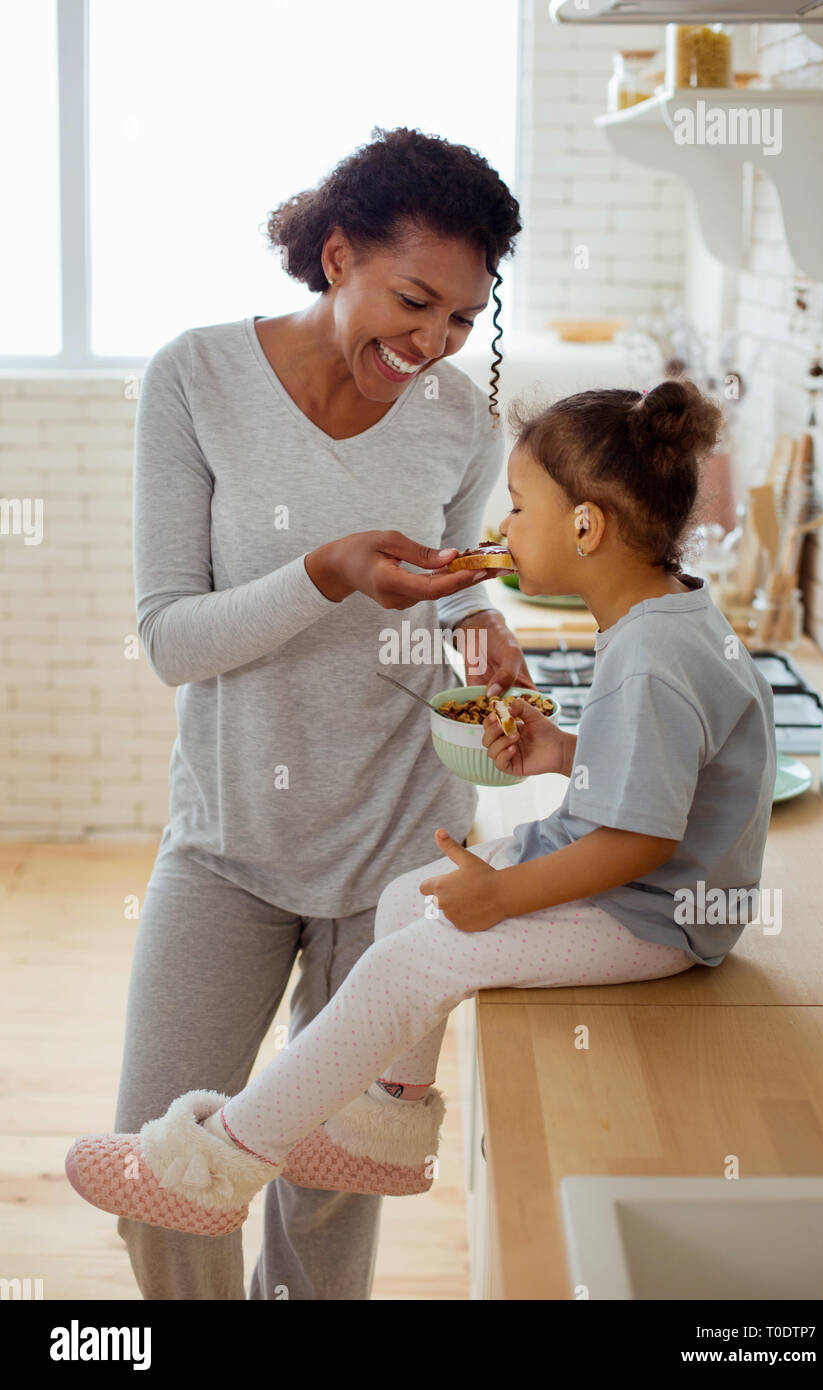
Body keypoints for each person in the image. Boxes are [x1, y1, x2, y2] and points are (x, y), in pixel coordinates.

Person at [66, 376, 778, 1242]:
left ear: (586, 526)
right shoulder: (668, 617)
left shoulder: (651, 655)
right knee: (413, 900)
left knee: (411, 964)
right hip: (646, 887)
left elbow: (637, 838)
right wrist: (564, 753)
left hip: (656, 916)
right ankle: (385, 1133)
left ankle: (218, 1163)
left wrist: (507, 897)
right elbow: (672, 768)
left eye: (517, 508)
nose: (500, 532)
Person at [88, 126, 533, 1299]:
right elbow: (171, 639)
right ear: (337, 256)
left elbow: (451, 594)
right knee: (164, 1165)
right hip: (231, 836)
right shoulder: (197, 378)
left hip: (398, 842)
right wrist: (322, 573)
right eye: (413, 299)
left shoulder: (460, 422)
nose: (432, 342)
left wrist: (480, 632)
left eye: (458, 319)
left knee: (332, 1179)